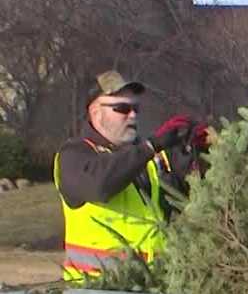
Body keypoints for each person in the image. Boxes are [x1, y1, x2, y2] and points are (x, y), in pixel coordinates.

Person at [54, 70, 208, 281]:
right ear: (96, 112)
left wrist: (193, 155)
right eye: (122, 108)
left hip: (151, 287)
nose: (133, 115)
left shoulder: (147, 159)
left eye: (136, 108)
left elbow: (180, 205)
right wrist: (151, 146)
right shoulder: (74, 155)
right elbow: (100, 186)